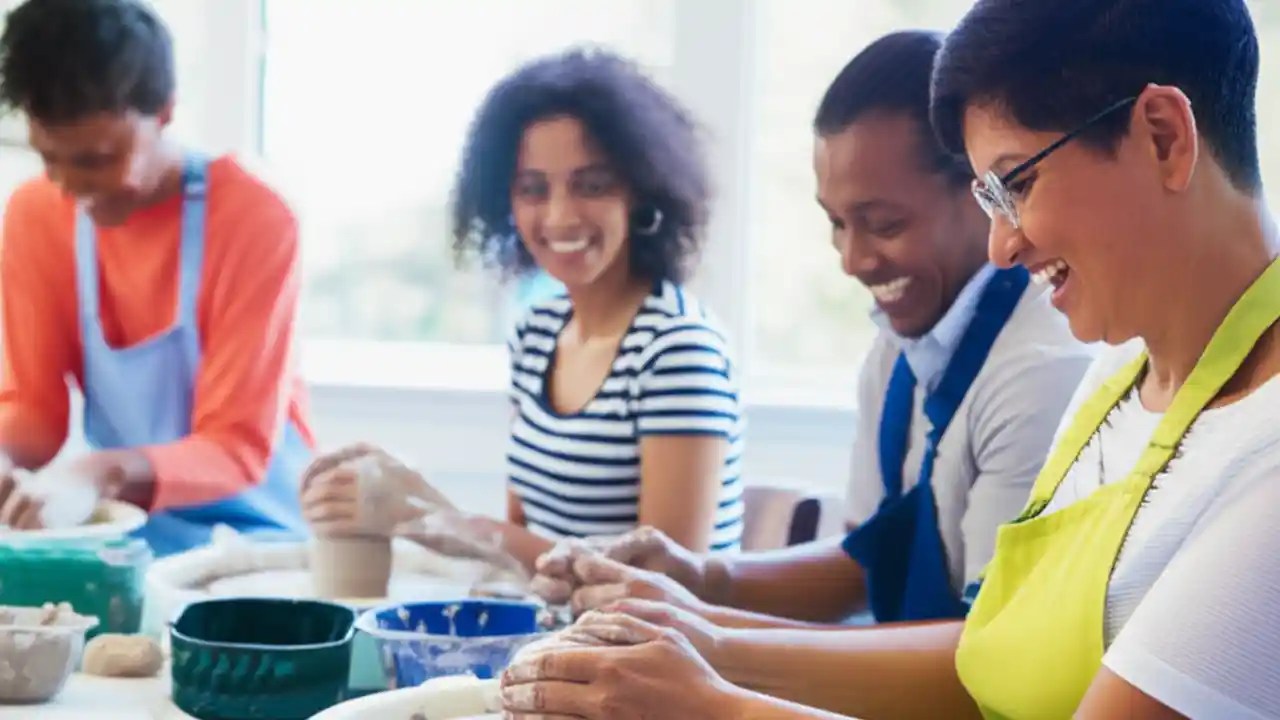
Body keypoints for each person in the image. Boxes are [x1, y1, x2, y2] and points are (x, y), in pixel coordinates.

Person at [499, 1, 1280, 718]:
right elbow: (987, 662)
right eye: (989, 202)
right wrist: (708, 639)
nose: (1002, 246)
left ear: (1163, 138)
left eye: (1018, 185)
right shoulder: (1118, 380)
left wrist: (720, 704)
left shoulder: (1266, 450)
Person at [531, 31, 1092, 632]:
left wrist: (710, 638)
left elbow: (987, 659)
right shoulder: (900, 350)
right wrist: (697, 577)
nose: (851, 259)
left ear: (980, 192)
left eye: (882, 223)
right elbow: (865, 564)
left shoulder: (1038, 368)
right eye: (837, 224)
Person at [300, 48, 746, 572]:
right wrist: (412, 501)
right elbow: (523, 549)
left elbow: (666, 578)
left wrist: (435, 517)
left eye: (592, 185)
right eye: (534, 189)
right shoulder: (538, 332)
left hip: (647, 646)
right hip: (558, 630)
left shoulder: (678, 349)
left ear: (640, 191)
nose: (560, 216)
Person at [0, 0, 312, 557]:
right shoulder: (34, 214)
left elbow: (235, 446)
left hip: (264, 538)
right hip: (130, 537)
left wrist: (100, 472)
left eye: (97, 160)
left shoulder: (255, 218)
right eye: (51, 159)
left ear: (165, 110)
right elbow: (36, 414)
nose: (72, 187)